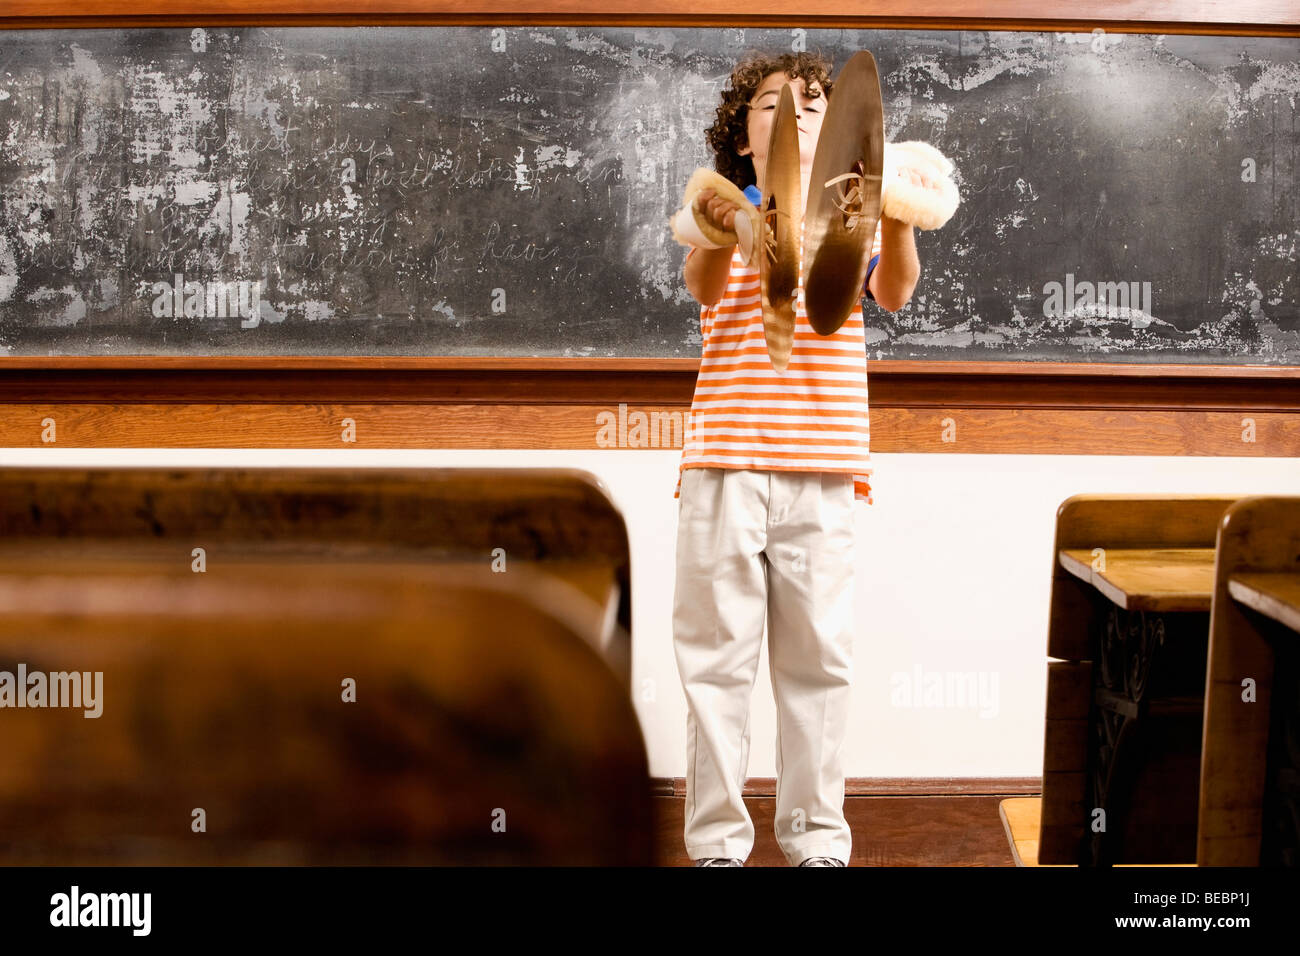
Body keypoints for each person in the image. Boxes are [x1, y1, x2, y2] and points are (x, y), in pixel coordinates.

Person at [672, 50, 924, 867]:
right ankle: (715, 845)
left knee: (819, 664)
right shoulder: (724, 204)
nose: (795, 110)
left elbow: (894, 294)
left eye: (815, 102)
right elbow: (701, 284)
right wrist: (736, 222)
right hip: (725, 461)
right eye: (771, 102)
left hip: (823, 465)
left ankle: (817, 842)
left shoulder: (851, 223)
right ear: (742, 136)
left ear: (843, 128)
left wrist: (892, 209)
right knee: (716, 665)